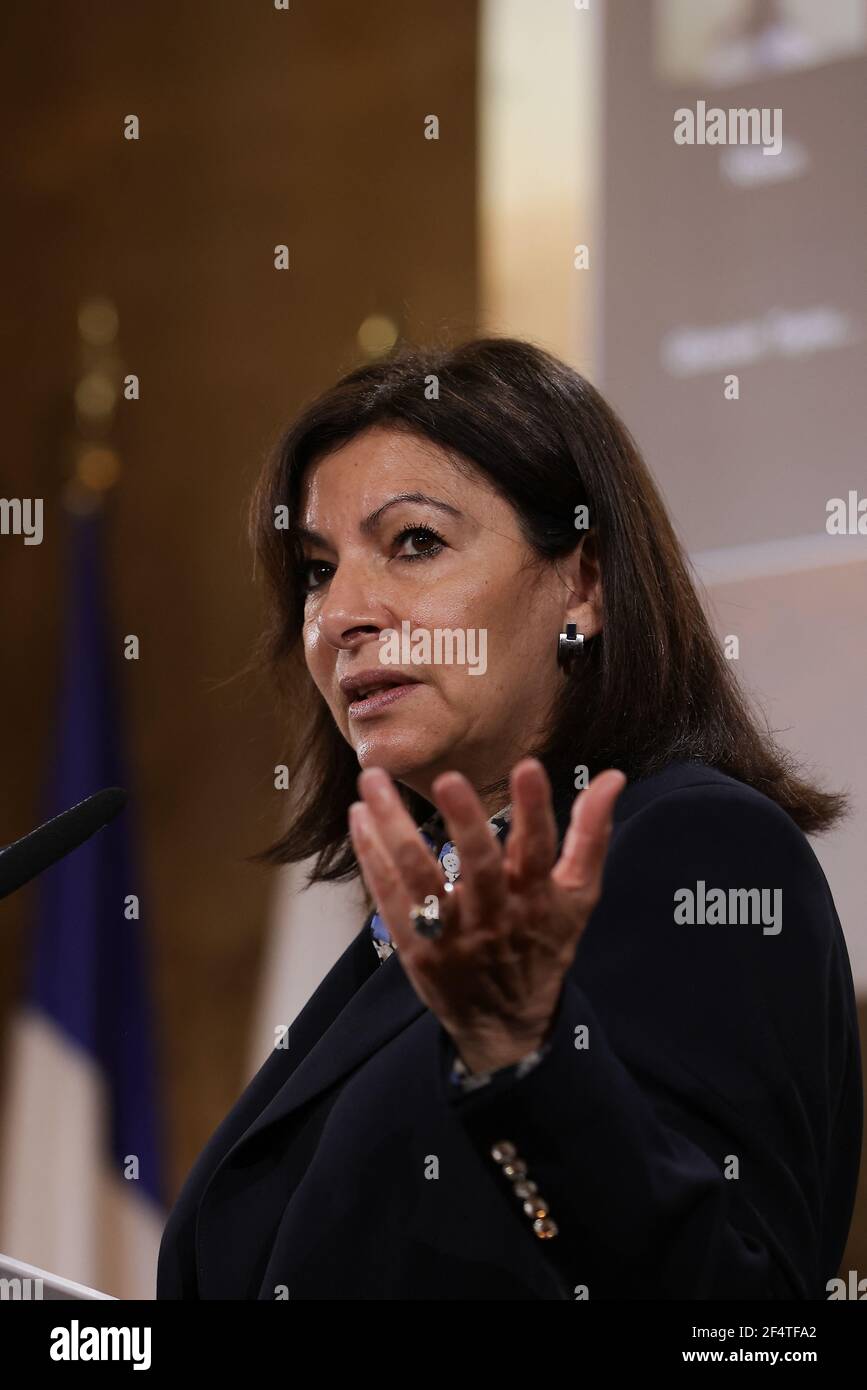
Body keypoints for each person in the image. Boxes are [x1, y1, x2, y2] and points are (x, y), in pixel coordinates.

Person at [157, 336, 861, 1300]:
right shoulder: (435, 907)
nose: (338, 615)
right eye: (318, 568)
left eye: (413, 542)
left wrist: (523, 1066)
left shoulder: (698, 850)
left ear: (584, 584)